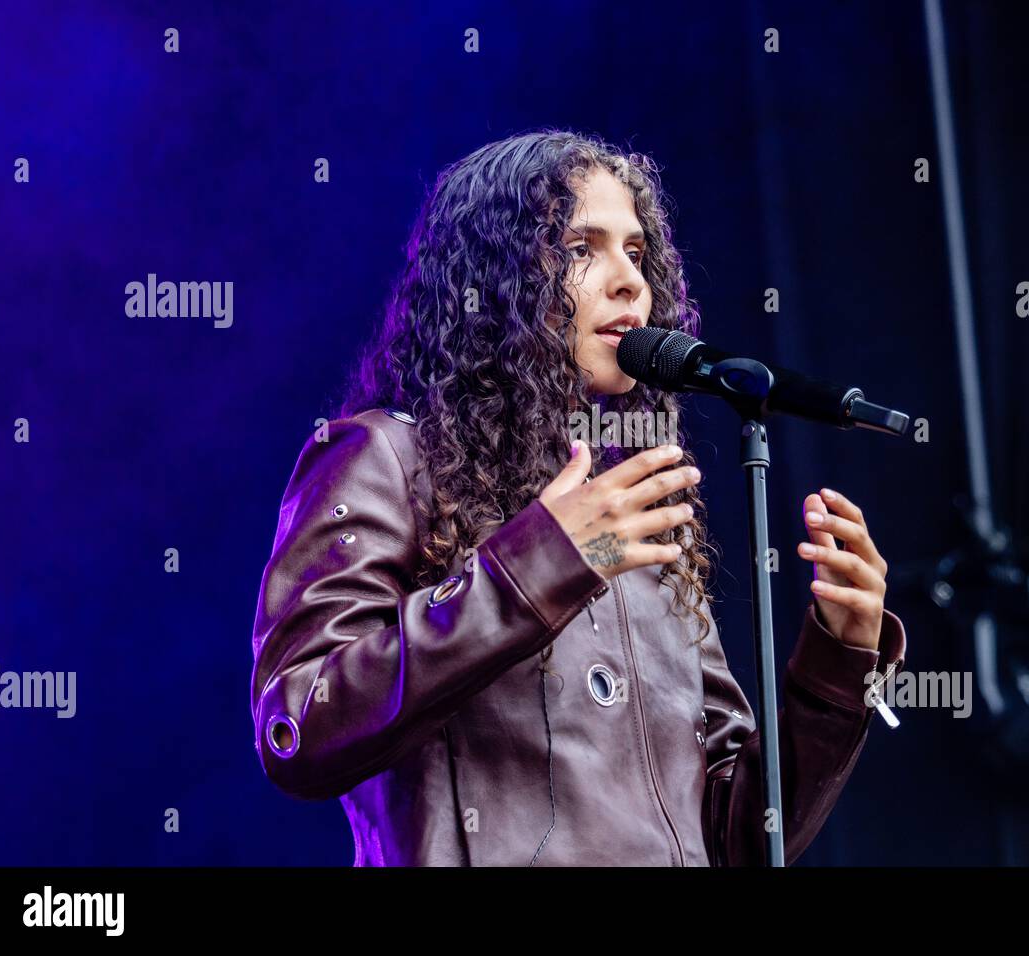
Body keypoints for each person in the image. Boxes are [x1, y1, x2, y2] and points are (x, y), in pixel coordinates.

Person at [249, 129, 907, 866]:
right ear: (495, 279)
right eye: (579, 248)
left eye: (635, 251)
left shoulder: (636, 514)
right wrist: (544, 562)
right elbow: (299, 725)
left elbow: (737, 838)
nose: (629, 279)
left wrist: (837, 662)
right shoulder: (387, 459)